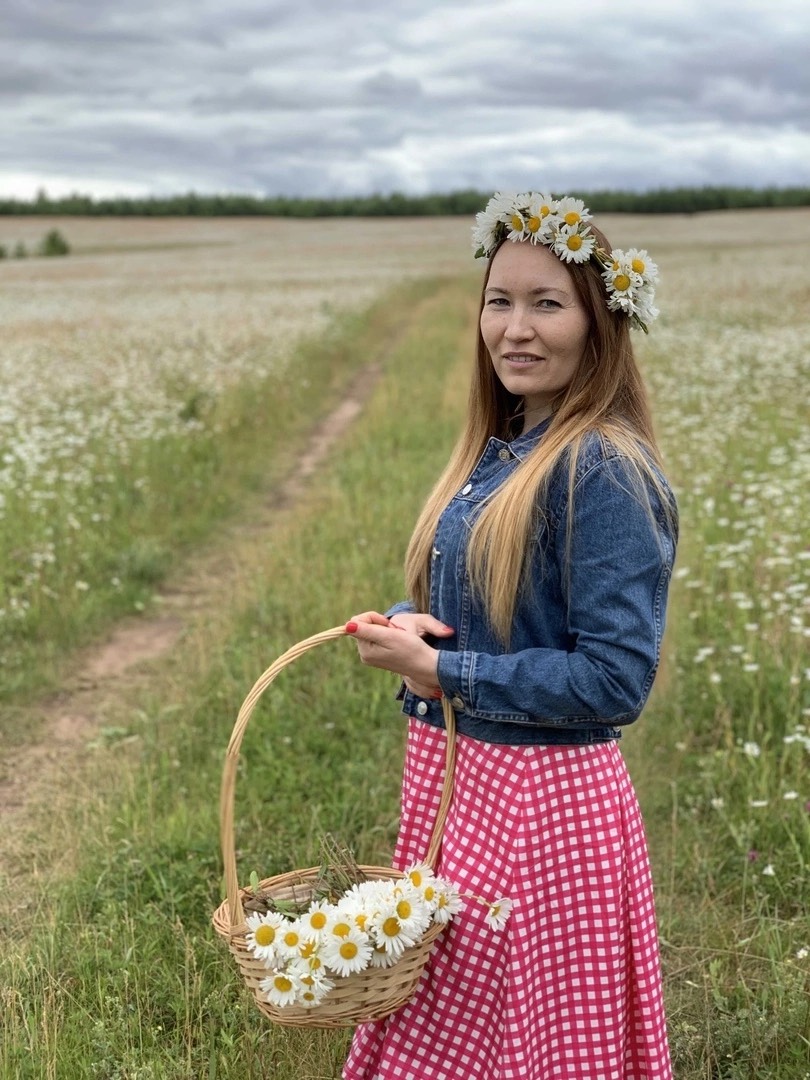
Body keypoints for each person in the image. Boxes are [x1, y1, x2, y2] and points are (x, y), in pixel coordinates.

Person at [343, 191, 677, 1080]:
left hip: (544, 816)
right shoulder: (504, 448)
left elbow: (614, 680)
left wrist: (445, 671)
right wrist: (418, 630)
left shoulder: (602, 466)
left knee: (528, 1047)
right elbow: (494, 616)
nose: (515, 329)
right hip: (470, 788)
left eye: (547, 303)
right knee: (462, 1029)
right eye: (500, 301)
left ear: (598, 323)